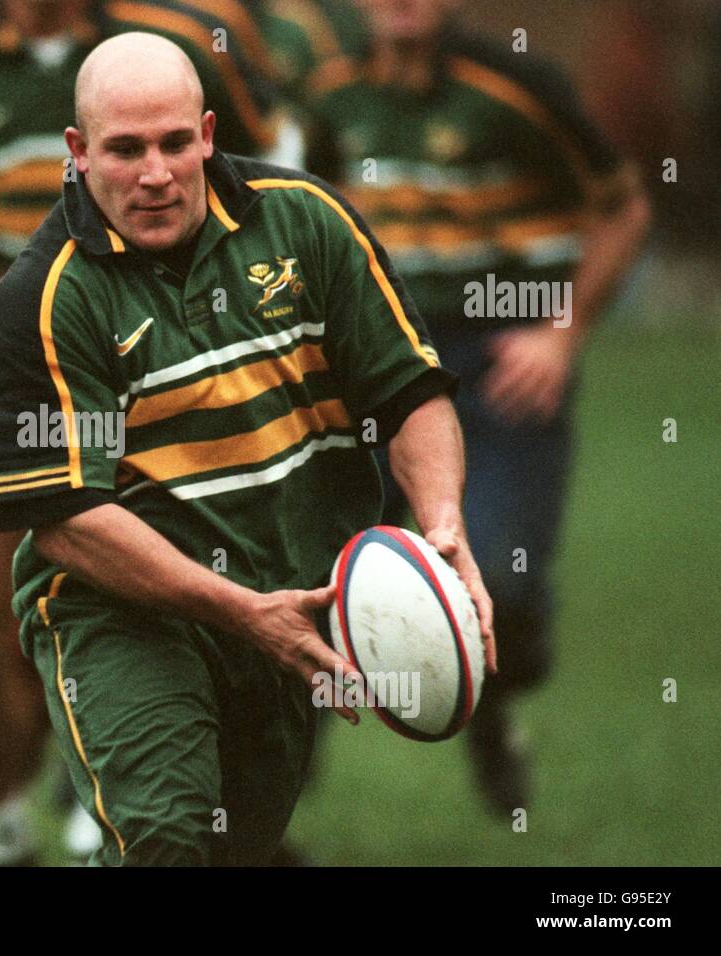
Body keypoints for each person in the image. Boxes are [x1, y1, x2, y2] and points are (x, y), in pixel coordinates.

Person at [0, 30, 496, 865]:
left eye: (176, 143)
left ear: (209, 134)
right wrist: (243, 614)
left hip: (288, 595)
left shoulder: (305, 222)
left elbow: (409, 392)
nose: (156, 173)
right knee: (168, 838)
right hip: (123, 612)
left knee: (235, 852)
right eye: (126, 149)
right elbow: (65, 517)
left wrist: (444, 528)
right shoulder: (45, 296)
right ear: (77, 152)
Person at [0, 0, 277, 865]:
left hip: (169, 362)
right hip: (0, 372)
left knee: (162, 600)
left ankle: (123, 798)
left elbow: (276, 180)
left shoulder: (183, 42)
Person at [297, 0, 651, 815]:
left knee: (499, 586)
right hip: (373, 366)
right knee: (321, 574)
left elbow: (624, 205)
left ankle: (494, 706)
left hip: (494, 367)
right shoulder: (329, 94)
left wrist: (561, 335)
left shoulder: (519, 84)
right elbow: (307, 217)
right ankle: (287, 765)